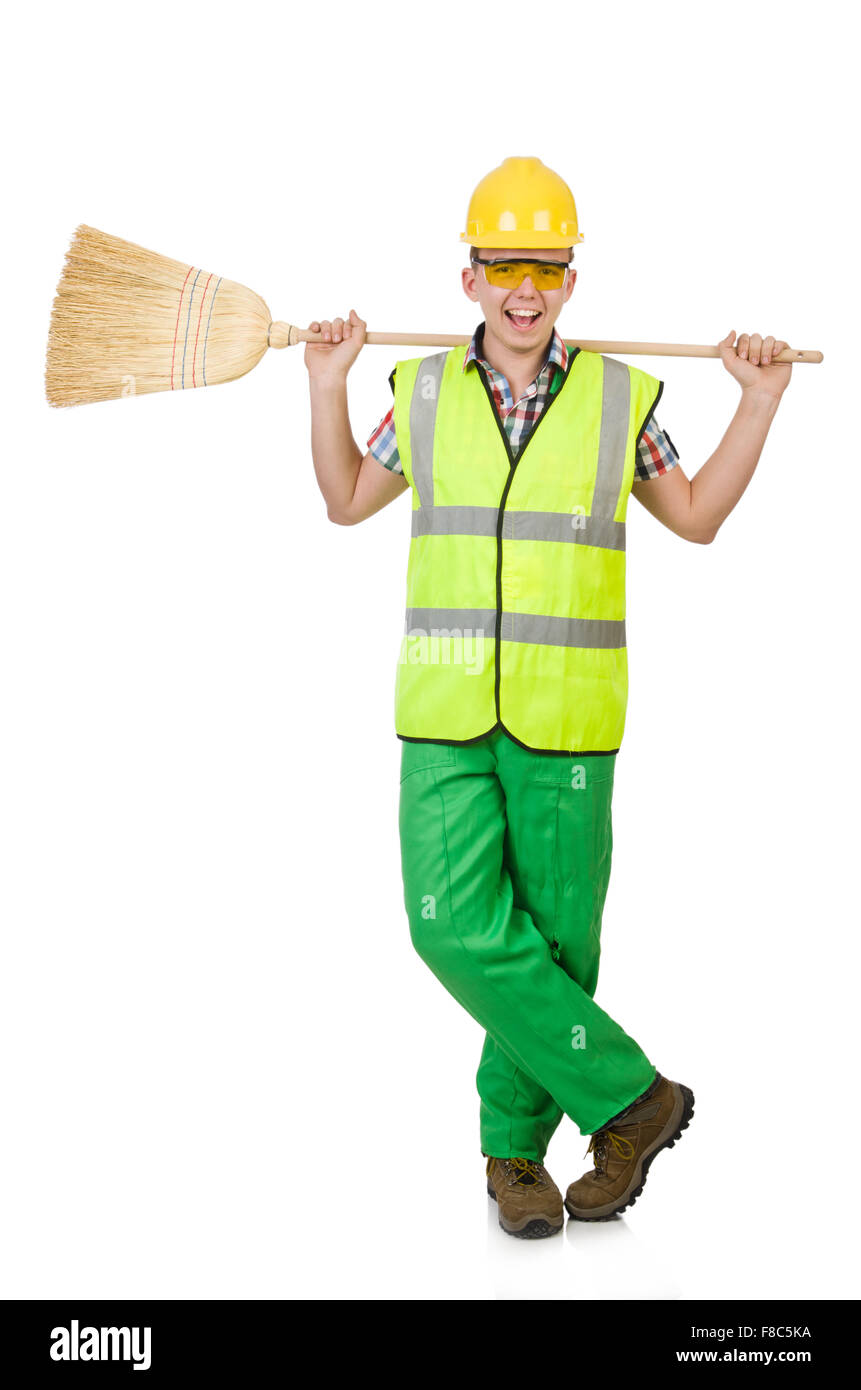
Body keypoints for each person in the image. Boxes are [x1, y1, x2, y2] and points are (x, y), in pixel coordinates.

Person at [305, 156, 792, 1239]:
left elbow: (699, 515)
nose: (525, 289)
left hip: (569, 715)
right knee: (448, 926)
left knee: (558, 944)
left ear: (572, 278)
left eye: (548, 267)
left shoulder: (620, 398)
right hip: (443, 711)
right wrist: (325, 382)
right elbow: (345, 499)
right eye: (503, 266)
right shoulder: (422, 393)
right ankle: (632, 1097)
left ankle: (511, 1153)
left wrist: (757, 404)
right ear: (467, 277)